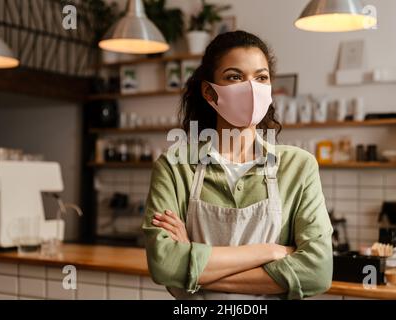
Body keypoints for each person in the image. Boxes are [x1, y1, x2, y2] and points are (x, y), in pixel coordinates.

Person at [142, 30, 333, 300]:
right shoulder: (175, 167)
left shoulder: (298, 166)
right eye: (235, 77)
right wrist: (270, 251)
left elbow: (318, 272)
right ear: (210, 92)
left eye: (261, 77)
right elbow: (164, 266)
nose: (252, 87)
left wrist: (195, 265)